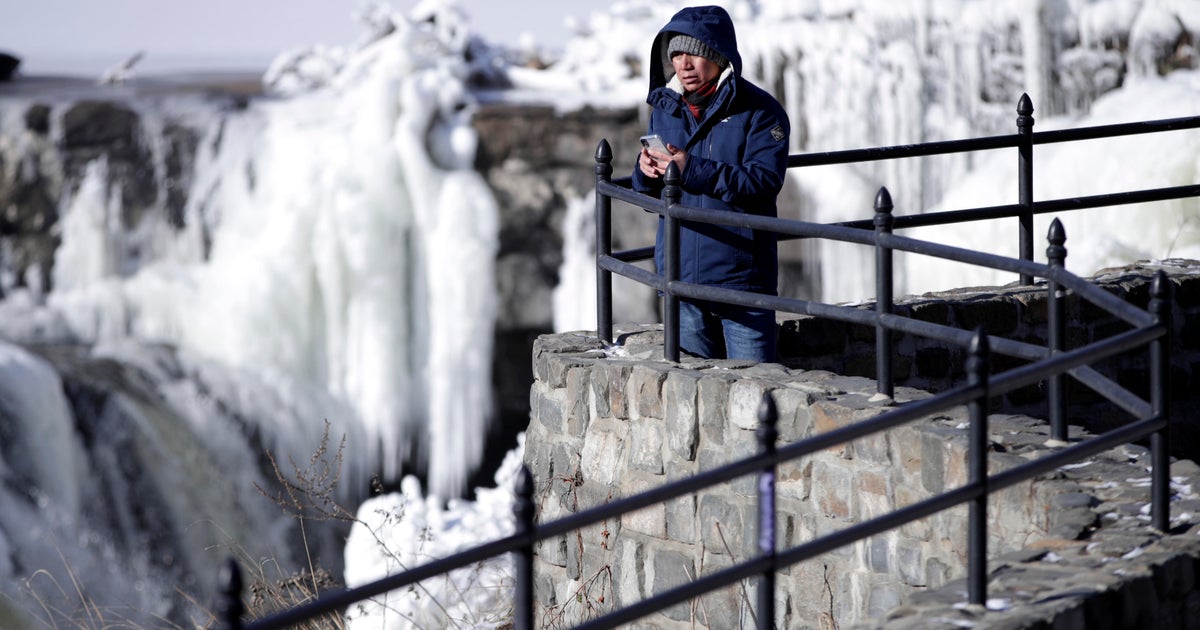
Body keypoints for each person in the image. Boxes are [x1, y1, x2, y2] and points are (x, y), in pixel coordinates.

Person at [632, 5, 790, 362]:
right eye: (676, 54)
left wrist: (692, 169)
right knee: (691, 395)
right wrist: (646, 172)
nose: (684, 64)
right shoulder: (665, 108)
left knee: (756, 393)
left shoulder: (762, 112)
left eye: (695, 53)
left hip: (742, 283)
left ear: (719, 55)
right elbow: (651, 193)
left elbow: (764, 182)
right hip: (680, 278)